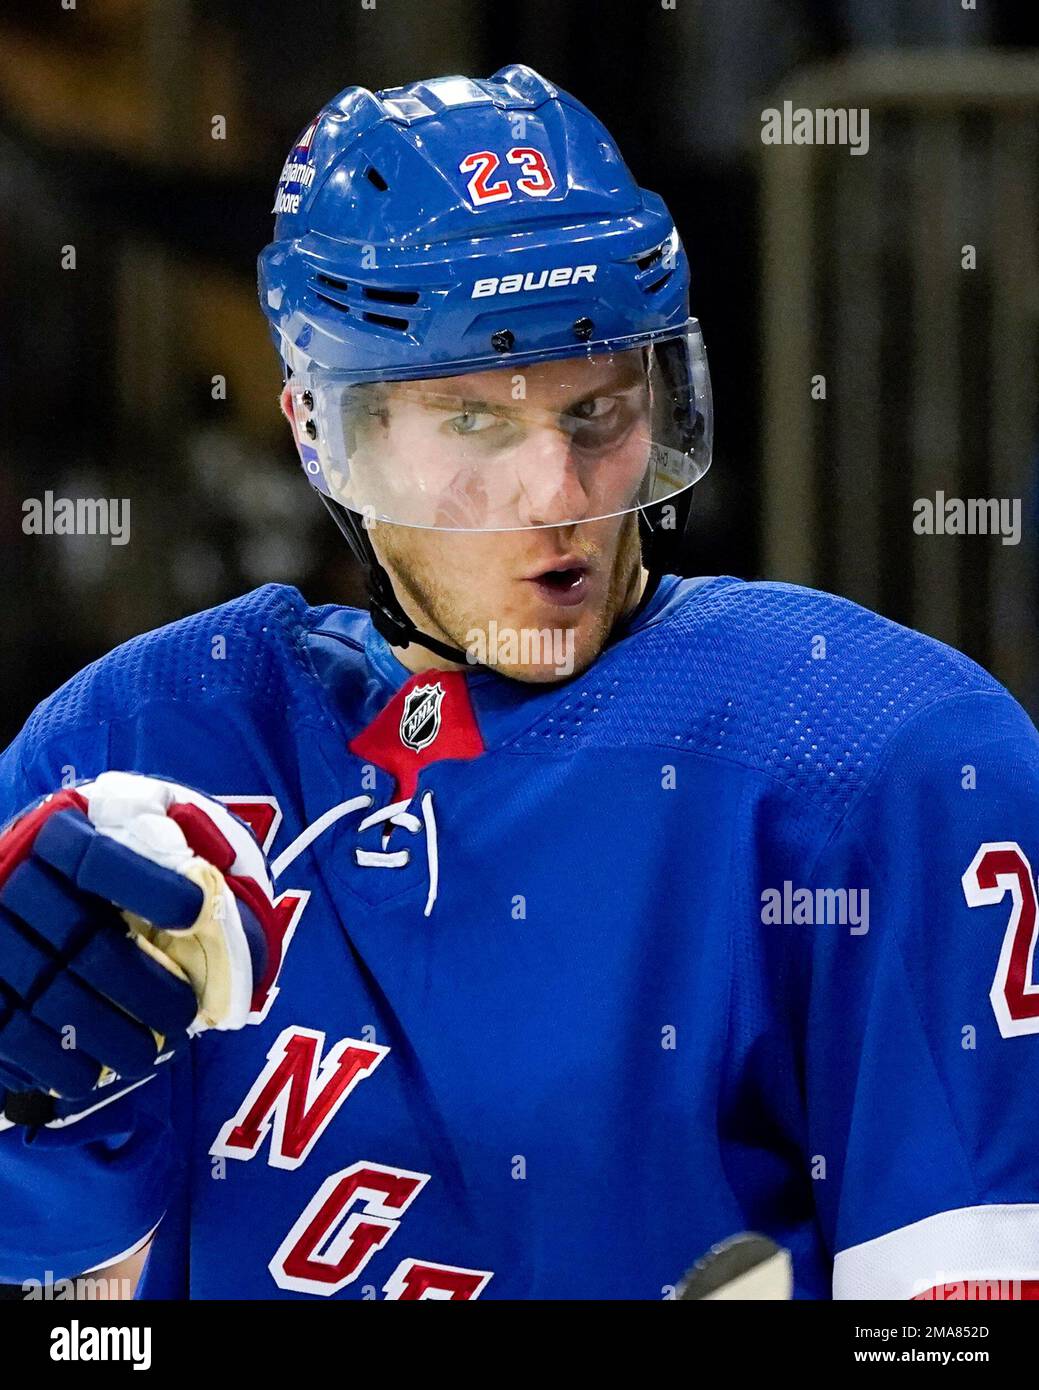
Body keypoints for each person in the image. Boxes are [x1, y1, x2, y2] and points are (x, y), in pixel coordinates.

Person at [0, 63, 1037, 1301]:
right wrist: (38, 1130)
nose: (559, 495)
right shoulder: (142, 746)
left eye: (597, 410)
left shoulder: (878, 749)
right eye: (475, 422)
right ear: (323, 431)